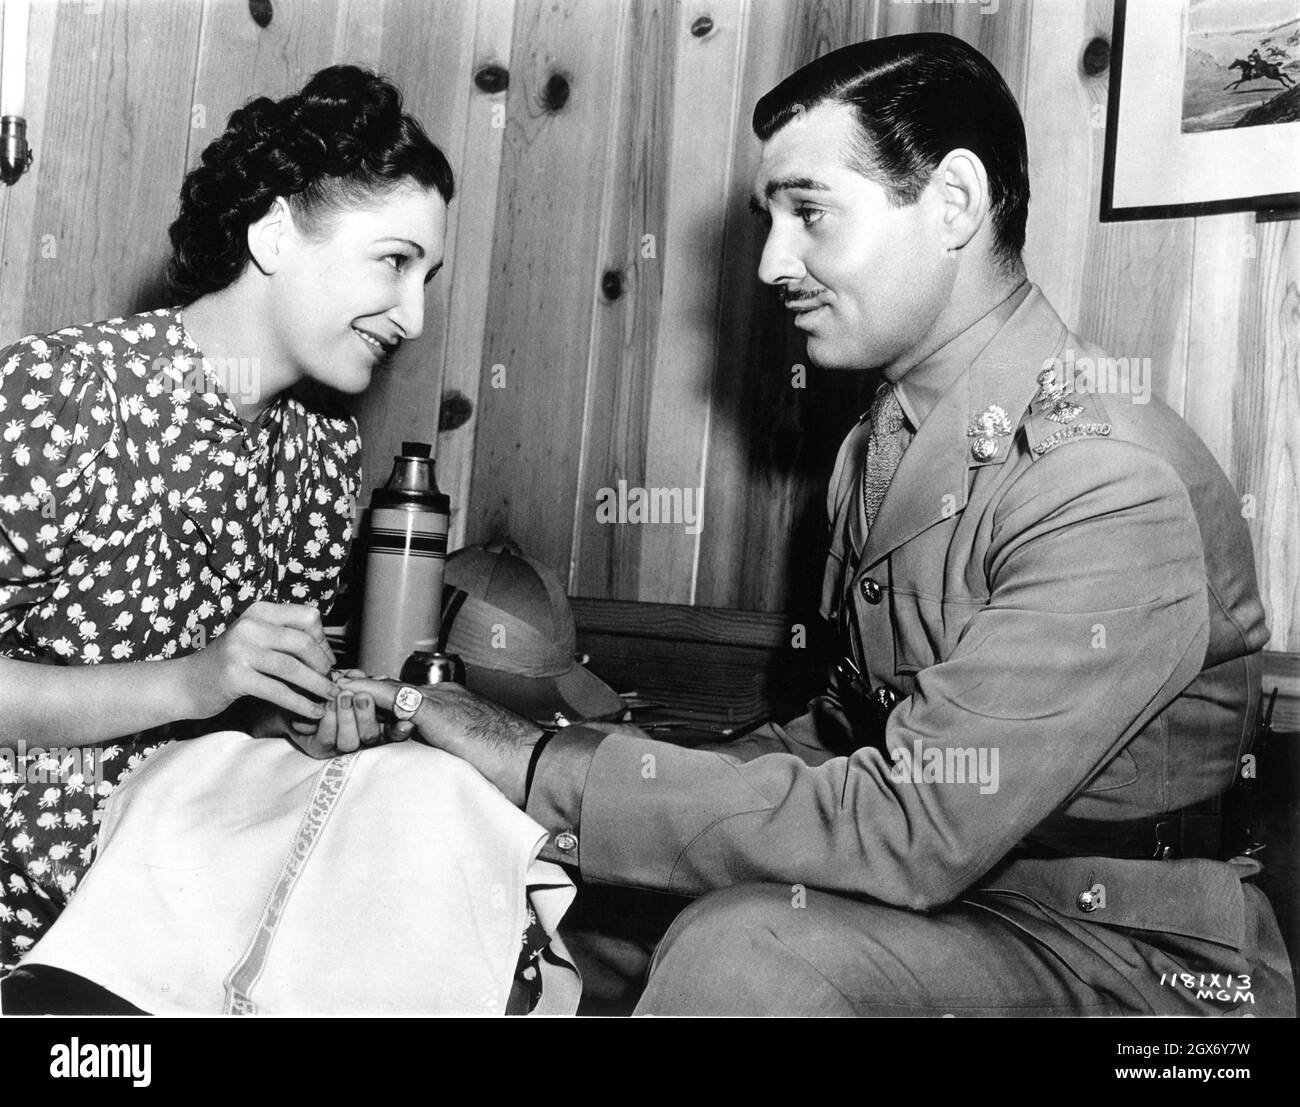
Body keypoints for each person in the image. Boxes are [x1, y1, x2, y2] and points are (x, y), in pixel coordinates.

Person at [344, 34, 1296, 1016]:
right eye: (769, 219)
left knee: (744, 952)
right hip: (955, 901)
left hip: (1129, 955)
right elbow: (842, 740)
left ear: (954, 203)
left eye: (809, 214)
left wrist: (540, 766)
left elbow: (909, 825)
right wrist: (548, 765)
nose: (768, 263)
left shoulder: (1102, 477)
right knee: (524, 887)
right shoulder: (879, 445)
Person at [1, 64, 452, 971]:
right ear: (276, 231)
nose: (413, 315)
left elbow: (246, 711)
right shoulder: (62, 395)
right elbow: (201, 688)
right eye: (395, 262)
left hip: (193, 858)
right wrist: (194, 682)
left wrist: (295, 719)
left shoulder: (323, 448)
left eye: (429, 276)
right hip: (48, 914)